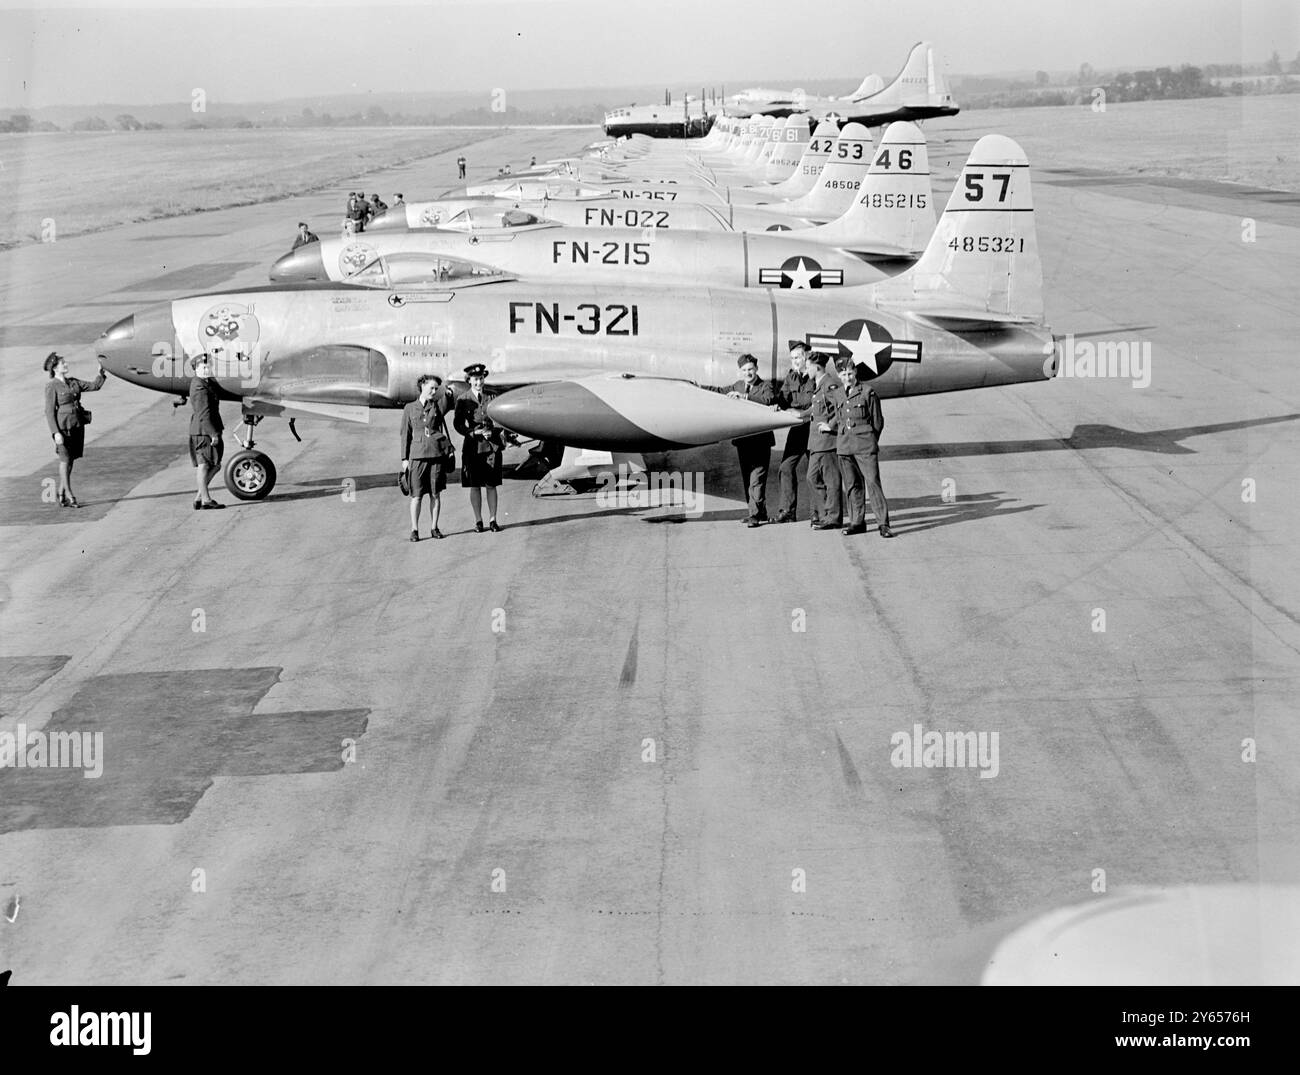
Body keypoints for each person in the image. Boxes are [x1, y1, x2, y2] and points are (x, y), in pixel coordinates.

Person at [709, 353, 775, 527]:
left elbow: (768, 400)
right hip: (743, 442)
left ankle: (755, 514)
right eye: (744, 370)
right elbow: (719, 391)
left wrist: (745, 397)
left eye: (751, 369)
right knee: (748, 479)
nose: (748, 373)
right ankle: (758, 513)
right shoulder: (738, 385)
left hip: (761, 441)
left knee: (757, 480)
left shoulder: (765, 385)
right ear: (740, 371)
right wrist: (696, 387)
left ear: (757, 369)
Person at [834, 356, 893, 538]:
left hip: (865, 446)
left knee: (873, 483)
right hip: (845, 446)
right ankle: (857, 522)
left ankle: (883, 524)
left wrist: (869, 440)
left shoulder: (868, 392)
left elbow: (877, 422)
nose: (847, 377)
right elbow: (839, 419)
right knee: (852, 486)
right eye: (843, 374)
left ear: (856, 372)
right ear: (838, 374)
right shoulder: (837, 394)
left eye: (850, 373)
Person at [43, 351, 106, 508]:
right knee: (65, 460)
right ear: (55, 368)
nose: (66, 364)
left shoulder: (73, 382)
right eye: (63, 363)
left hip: (77, 426)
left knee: (71, 460)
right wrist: (55, 432)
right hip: (62, 429)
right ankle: (70, 495)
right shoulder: (52, 386)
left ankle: (61, 492)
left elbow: (94, 386)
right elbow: (49, 412)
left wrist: (101, 373)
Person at [400, 374, 456, 542]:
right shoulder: (409, 408)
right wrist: (404, 458)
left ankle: (434, 527)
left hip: (436, 456)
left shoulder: (437, 407)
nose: (434, 391)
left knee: (435, 494)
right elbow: (405, 434)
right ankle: (414, 530)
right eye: (431, 388)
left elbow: (447, 398)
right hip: (417, 457)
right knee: (416, 495)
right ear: (422, 386)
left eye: (436, 389)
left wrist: (448, 390)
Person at [454, 363, 505, 532]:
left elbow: (500, 419)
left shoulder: (492, 396)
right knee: (474, 485)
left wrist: (494, 431)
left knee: (491, 484)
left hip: (491, 446)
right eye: (475, 379)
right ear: (469, 380)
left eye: (481, 378)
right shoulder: (463, 399)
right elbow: (458, 424)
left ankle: (493, 520)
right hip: (473, 447)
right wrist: (473, 433)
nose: (479, 382)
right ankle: (478, 520)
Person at [773, 340, 814, 522]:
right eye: (792, 358)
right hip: (798, 428)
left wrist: (802, 412)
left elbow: (821, 405)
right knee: (785, 468)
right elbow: (783, 399)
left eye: (797, 357)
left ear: (806, 357)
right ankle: (787, 511)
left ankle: (821, 514)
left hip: (813, 428)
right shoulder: (792, 377)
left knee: (816, 472)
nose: (795, 361)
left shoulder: (817, 376)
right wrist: (775, 405)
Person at [807, 351, 844, 530]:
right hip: (817, 443)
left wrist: (831, 425)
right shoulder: (820, 384)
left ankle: (833, 518)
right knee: (811, 478)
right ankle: (825, 515)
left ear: (817, 367)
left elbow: (842, 407)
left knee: (831, 481)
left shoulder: (830, 384)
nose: (806, 370)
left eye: (808, 367)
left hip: (827, 442)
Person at [189, 353, 226, 509]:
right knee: (204, 466)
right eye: (203, 367)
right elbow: (204, 413)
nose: (206, 369)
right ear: (196, 369)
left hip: (204, 429)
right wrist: (213, 434)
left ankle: (200, 497)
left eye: (208, 366)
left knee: (214, 465)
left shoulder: (204, 382)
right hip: (204, 431)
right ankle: (205, 500)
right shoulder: (200, 386)